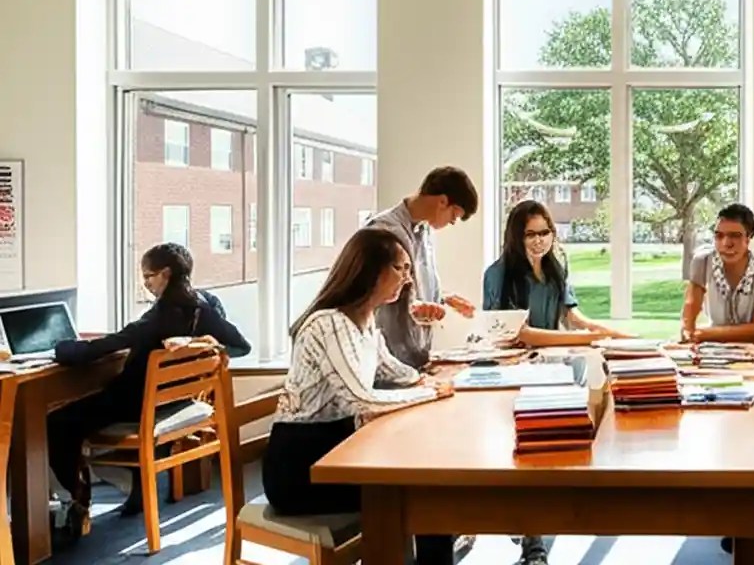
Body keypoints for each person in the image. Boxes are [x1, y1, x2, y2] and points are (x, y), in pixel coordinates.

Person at [264, 228, 456, 565]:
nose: (408, 279)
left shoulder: (365, 322)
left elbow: (393, 370)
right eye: (401, 268)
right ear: (371, 269)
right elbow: (363, 402)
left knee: (429, 483)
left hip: (336, 447)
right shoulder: (328, 324)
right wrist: (428, 393)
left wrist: (431, 378)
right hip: (301, 467)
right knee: (428, 494)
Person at [47, 242, 252, 539]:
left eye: (148, 276)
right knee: (85, 409)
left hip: (136, 404)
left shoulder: (158, 318)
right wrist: (203, 343)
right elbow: (241, 346)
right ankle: (126, 485)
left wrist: (60, 349)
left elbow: (104, 346)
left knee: (57, 422)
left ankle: (75, 500)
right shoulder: (203, 308)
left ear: (166, 274)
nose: (145, 284)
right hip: (176, 398)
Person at [364, 165, 479, 369]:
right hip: (387, 357)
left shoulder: (425, 231)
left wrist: (443, 297)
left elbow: (415, 282)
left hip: (418, 354)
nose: (453, 222)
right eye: (454, 214)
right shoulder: (383, 231)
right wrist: (414, 306)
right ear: (442, 201)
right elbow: (374, 291)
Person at [483, 200, 631, 353]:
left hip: (550, 359)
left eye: (544, 233)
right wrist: (591, 338)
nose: (538, 240)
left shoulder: (557, 267)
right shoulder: (497, 274)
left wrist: (621, 337)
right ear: (515, 238)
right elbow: (520, 333)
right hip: (511, 364)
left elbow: (572, 317)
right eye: (530, 234)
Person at [680, 203, 754, 379]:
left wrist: (702, 334)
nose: (726, 243)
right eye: (719, 236)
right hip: (719, 350)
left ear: (749, 237)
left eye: (735, 236)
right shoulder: (702, 261)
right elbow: (690, 309)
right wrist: (688, 332)